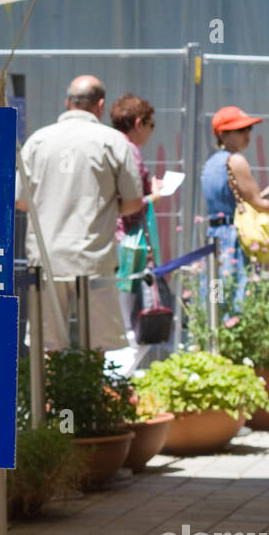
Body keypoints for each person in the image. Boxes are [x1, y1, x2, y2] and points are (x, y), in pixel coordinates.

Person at [17, 75, 143, 350]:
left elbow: (21, 202)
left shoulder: (38, 141)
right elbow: (134, 203)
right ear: (100, 105)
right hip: (93, 258)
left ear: (67, 102)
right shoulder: (113, 142)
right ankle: (90, 394)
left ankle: (47, 394)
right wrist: (108, 208)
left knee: (46, 347)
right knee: (97, 346)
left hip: (46, 258)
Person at [199, 105, 269, 313]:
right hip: (235, 239)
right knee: (238, 298)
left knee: (216, 295)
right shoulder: (236, 161)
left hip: (214, 238)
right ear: (223, 134)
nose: (247, 134)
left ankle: (214, 336)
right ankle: (234, 339)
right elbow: (260, 204)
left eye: (249, 129)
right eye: (241, 130)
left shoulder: (211, 163)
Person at [110, 94, 167, 347]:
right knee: (130, 312)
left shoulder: (109, 144)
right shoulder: (129, 150)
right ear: (138, 122)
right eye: (151, 125)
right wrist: (153, 195)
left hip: (113, 237)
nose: (151, 132)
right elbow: (130, 202)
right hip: (129, 241)